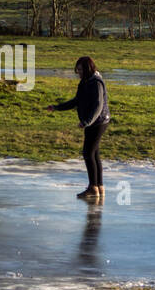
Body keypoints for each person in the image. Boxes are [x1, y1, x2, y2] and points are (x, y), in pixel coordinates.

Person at [47, 56, 111, 201]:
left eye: (80, 70)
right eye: (78, 70)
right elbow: (77, 101)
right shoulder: (85, 82)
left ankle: (93, 188)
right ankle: (99, 187)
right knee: (94, 154)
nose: (79, 73)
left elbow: (98, 106)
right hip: (93, 122)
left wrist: (87, 121)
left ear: (88, 69)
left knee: (88, 153)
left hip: (98, 122)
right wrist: (57, 107)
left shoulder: (96, 83)